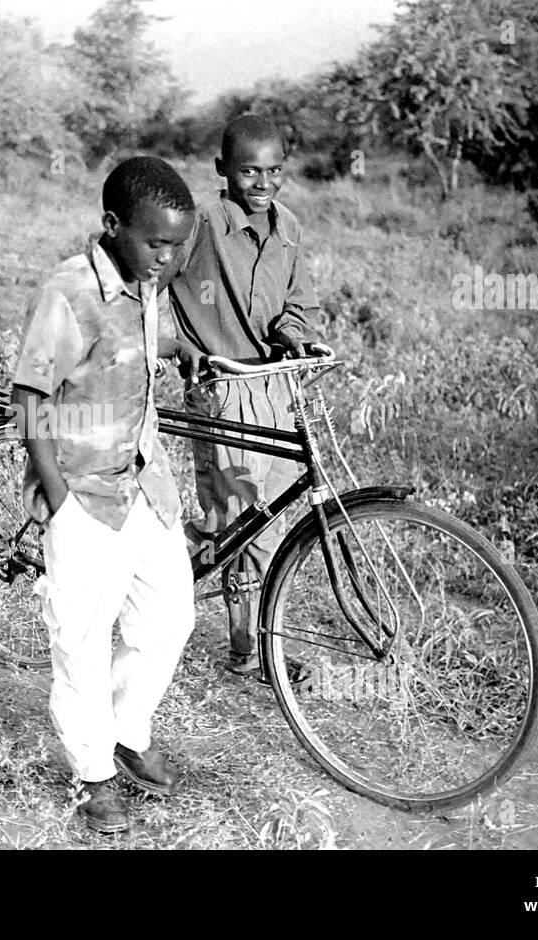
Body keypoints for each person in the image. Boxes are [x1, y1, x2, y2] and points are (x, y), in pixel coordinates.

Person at [10, 156, 196, 834]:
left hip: (144, 481)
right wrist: (57, 499)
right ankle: (93, 777)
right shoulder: (70, 291)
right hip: (83, 490)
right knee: (81, 640)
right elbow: (28, 397)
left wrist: (182, 350)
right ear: (112, 226)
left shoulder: (147, 276)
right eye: (156, 244)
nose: (168, 258)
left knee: (169, 618)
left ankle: (124, 732)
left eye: (177, 245)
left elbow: (140, 344)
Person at [167, 114, 322, 679]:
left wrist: (294, 332)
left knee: (266, 519)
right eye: (249, 171)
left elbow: (299, 302)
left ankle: (158, 575)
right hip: (222, 389)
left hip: (276, 389)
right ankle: (249, 651)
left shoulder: (290, 229)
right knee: (236, 517)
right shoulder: (201, 223)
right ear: (223, 171)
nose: (262, 183)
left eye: (274, 170)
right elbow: (152, 273)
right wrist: (177, 339)